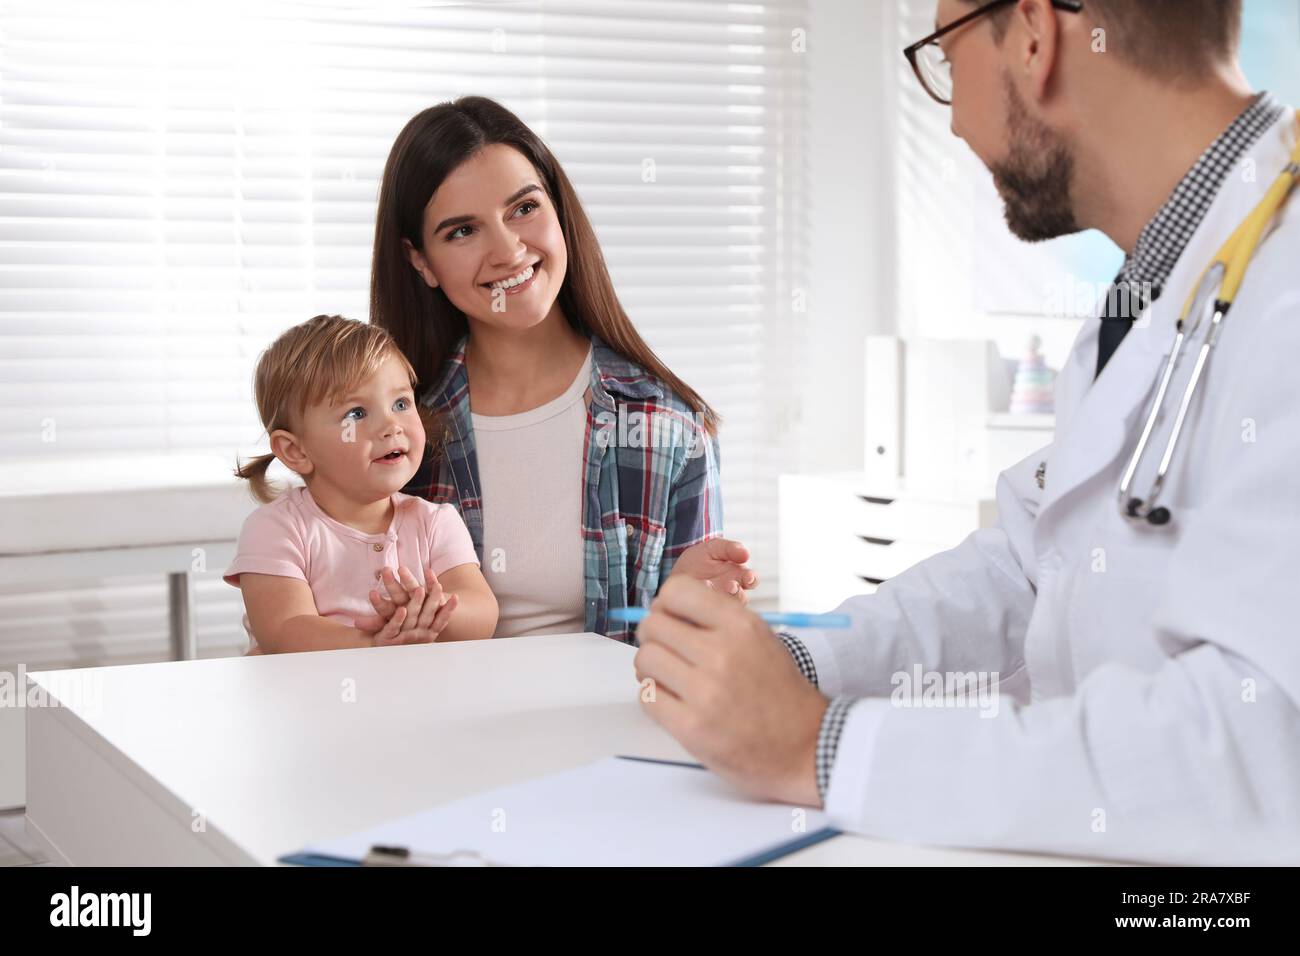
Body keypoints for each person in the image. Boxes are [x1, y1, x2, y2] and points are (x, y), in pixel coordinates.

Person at [633, 0, 1300, 864]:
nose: (950, 120)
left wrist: (820, 749)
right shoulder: (1165, 280)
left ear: (1032, 33)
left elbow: (1258, 744)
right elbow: (1032, 562)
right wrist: (790, 666)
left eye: (946, 60)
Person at [371, 96, 755, 642]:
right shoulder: (393, 435)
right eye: (462, 231)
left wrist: (689, 614)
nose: (508, 250)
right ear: (420, 262)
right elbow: (326, 623)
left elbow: (696, 667)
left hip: (603, 727)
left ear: (558, 211)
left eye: (523, 209)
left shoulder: (668, 426)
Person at [227, 315, 498, 653]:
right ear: (296, 451)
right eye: (356, 413)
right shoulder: (276, 528)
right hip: (306, 702)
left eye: (400, 403)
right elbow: (284, 629)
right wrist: (376, 644)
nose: (391, 425)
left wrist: (429, 613)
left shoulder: (435, 522)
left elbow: (483, 613)